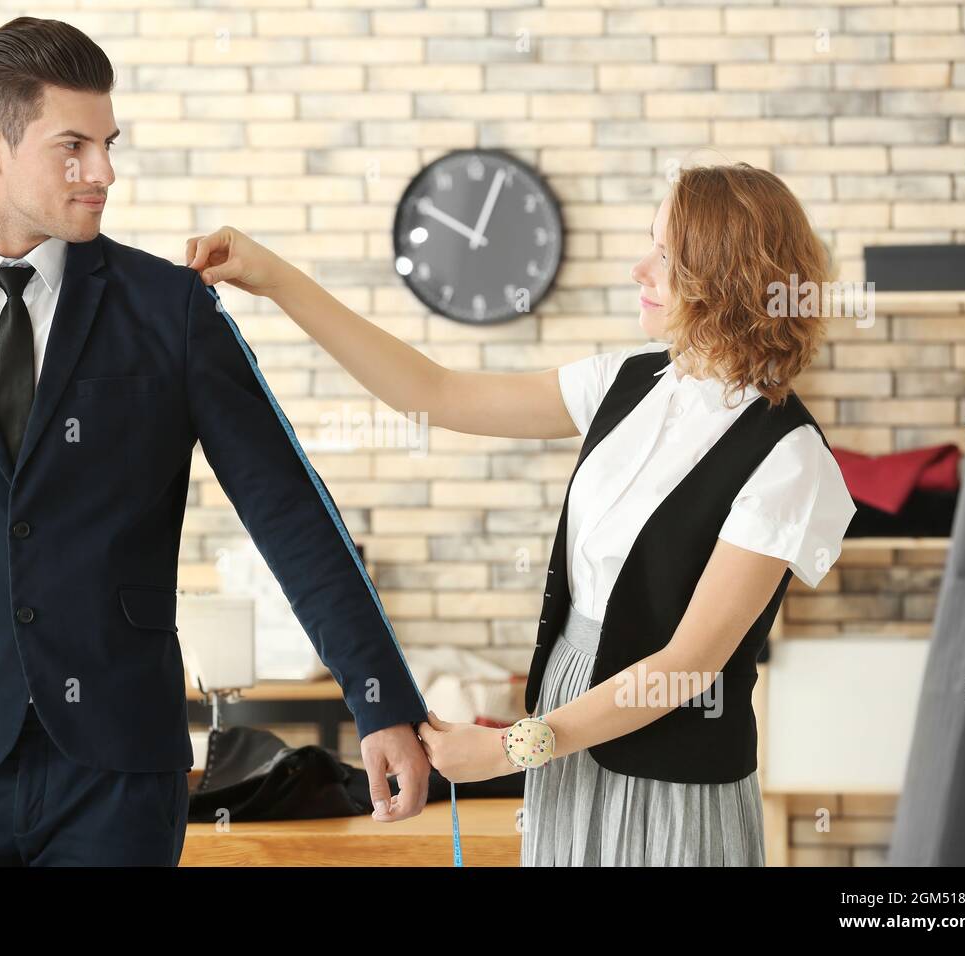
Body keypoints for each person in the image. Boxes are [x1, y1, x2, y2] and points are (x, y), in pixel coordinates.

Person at [0, 16, 429, 868]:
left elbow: (291, 514)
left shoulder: (171, 309)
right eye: (73, 146)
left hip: (119, 774)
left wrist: (380, 699)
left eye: (109, 142)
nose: (105, 171)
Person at [185, 162, 857, 866]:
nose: (639, 268)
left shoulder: (788, 457)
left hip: (666, 766)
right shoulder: (627, 382)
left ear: (725, 277)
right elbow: (431, 393)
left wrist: (510, 747)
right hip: (566, 728)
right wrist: (275, 278)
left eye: (665, 254)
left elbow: (686, 668)